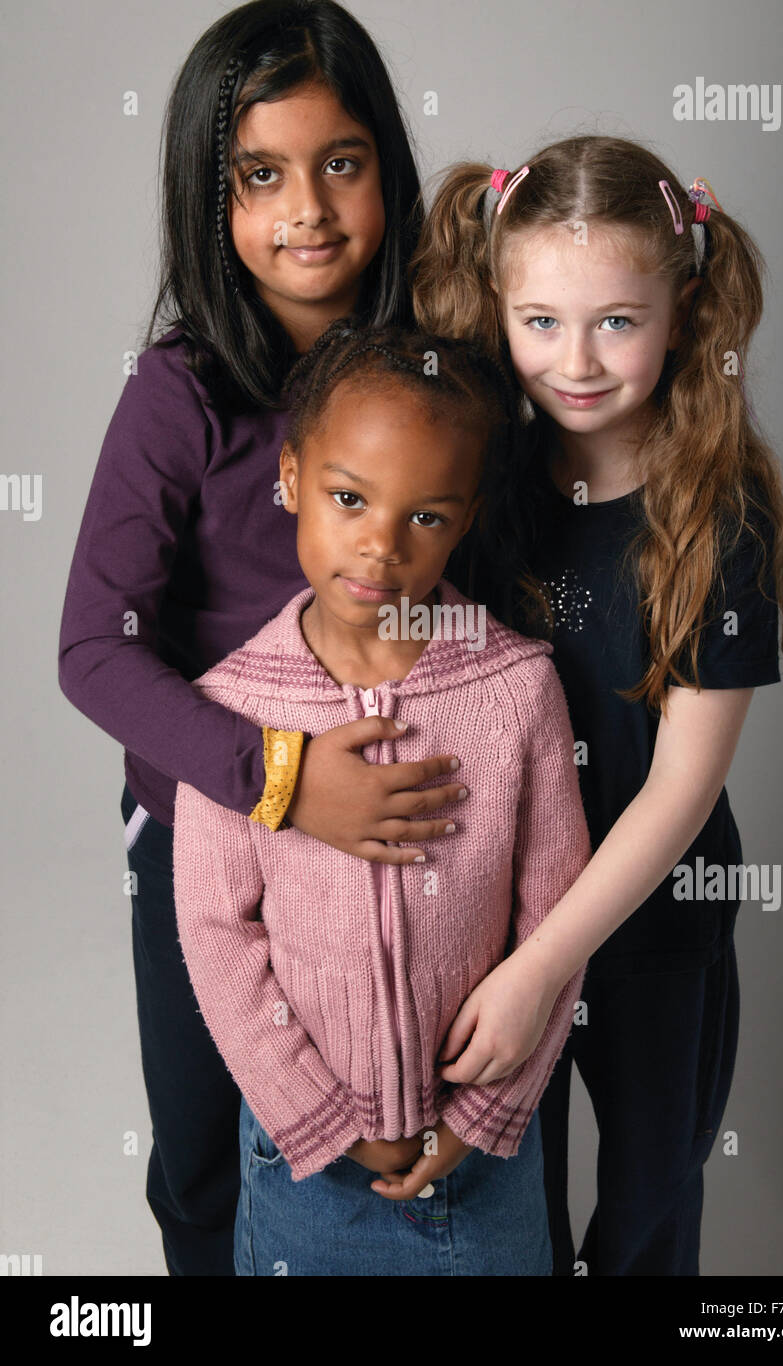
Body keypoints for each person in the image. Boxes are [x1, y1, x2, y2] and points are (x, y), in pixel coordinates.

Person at [57, 0, 469, 1277]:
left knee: (418, 1121)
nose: (307, 210)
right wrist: (283, 782)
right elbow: (94, 652)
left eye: (340, 165)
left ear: (385, 174)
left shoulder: (442, 378)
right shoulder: (177, 396)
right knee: (206, 1153)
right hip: (210, 835)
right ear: (210, 194)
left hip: (407, 830)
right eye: (261, 175)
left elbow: (496, 597)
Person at [409, 136, 783, 1274]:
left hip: (652, 925)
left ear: (682, 310)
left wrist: (549, 965)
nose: (575, 359)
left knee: (644, 1205)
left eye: (617, 322)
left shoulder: (712, 511)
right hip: (497, 918)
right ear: (497, 307)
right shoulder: (480, 481)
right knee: (512, 1204)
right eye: (540, 320)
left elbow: (685, 788)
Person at [171, 321, 591, 1276]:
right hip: (304, 1174)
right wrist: (322, 1120)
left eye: (427, 516)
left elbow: (557, 917)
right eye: (349, 498)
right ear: (289, 477)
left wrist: (487, 1113)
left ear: (470, 514)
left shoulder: (518, 687)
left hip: (486, 1170)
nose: (380, 546)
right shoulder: (234, 709)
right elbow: (215, 931)